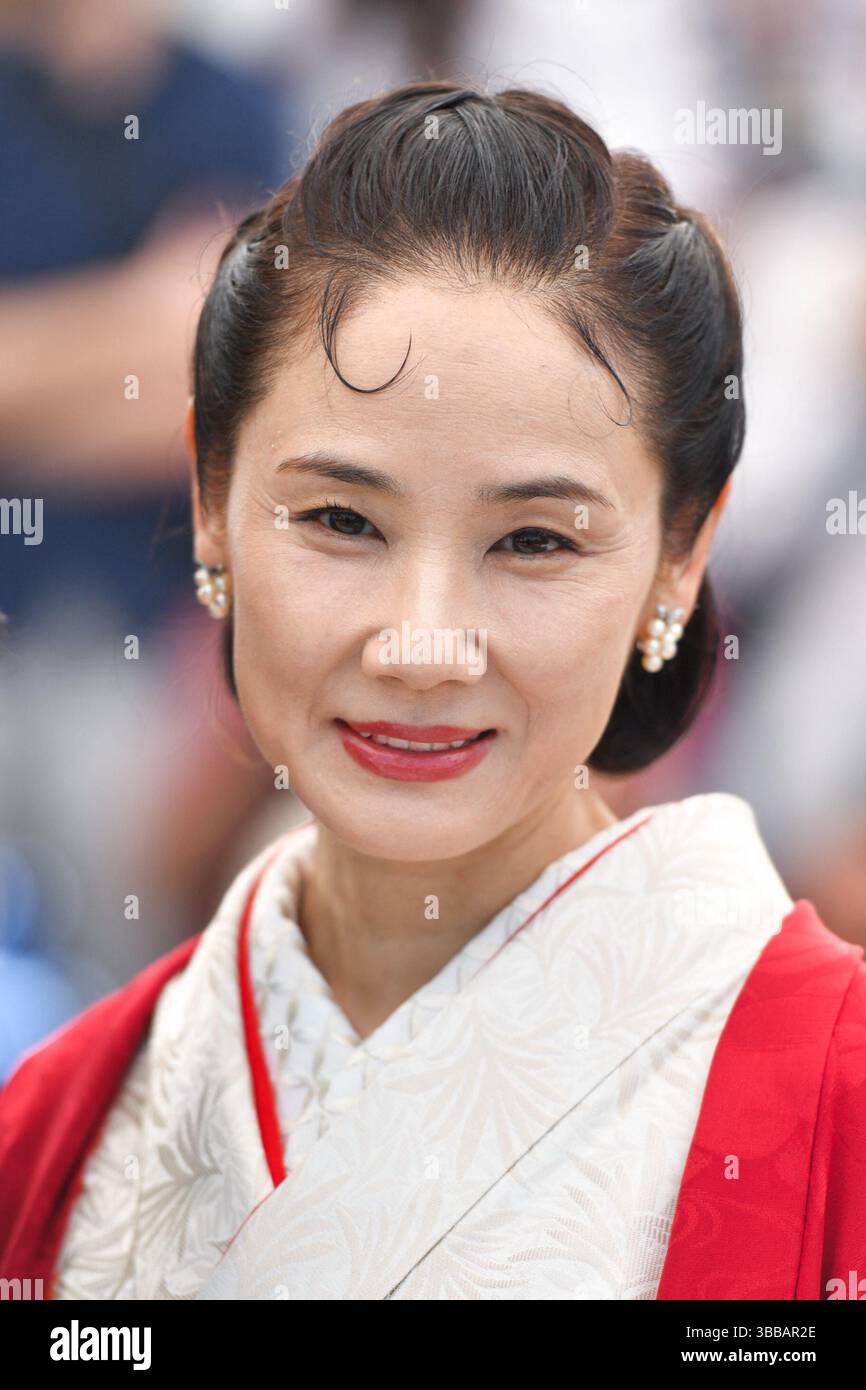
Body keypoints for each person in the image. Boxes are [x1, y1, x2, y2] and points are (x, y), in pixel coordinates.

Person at [1, 81, 863, 1302]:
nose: (422, 646)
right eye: (342, 520)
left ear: (681, 551)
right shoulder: (54, 1132)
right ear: (209, 499)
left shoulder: (837, 1096)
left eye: (534, 543)